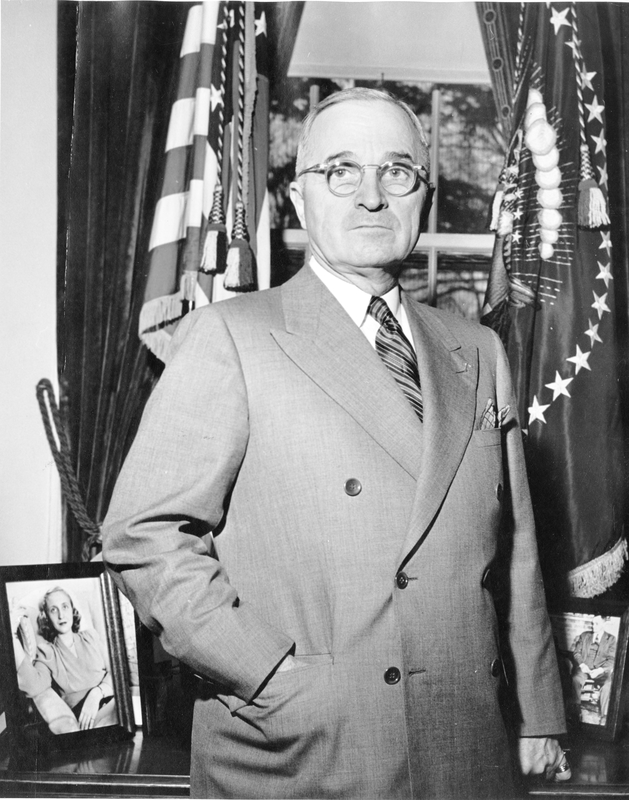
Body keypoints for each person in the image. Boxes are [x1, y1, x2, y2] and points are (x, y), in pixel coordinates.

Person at [103, 87, 568, 798]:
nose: (371, 197)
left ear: (425, 196)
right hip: (305, 752)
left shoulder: (475, 349)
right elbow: (143, 533)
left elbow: (516, 549)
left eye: (397, 172)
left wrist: (537, 713)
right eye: (341, 171)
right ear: (298, 197)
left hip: (465, 748)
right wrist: (265, 673)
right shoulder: (232, 335)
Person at [14, 587, 117, 732]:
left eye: (65, 606)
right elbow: (33, 686)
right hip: (87, 721)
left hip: (111, 703)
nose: (61, 615)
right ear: (46, 617)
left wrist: (97, 693)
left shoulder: (91, 636)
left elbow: (117, 671)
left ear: (72, 610)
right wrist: (13, 635)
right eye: (53, 610)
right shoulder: (47, 652)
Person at [571, 615, 617, 723]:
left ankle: (604, 715)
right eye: (592, 623)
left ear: (604, 624)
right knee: (575, 679)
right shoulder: (584, 635)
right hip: (585, 669)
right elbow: (577, 652)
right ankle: (576, 711)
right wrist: (582, 665)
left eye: (596, 624)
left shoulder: (611, 639)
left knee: (608, 685)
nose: (593, 626)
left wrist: (600, 670)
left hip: (601, 672)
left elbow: (612, 659)